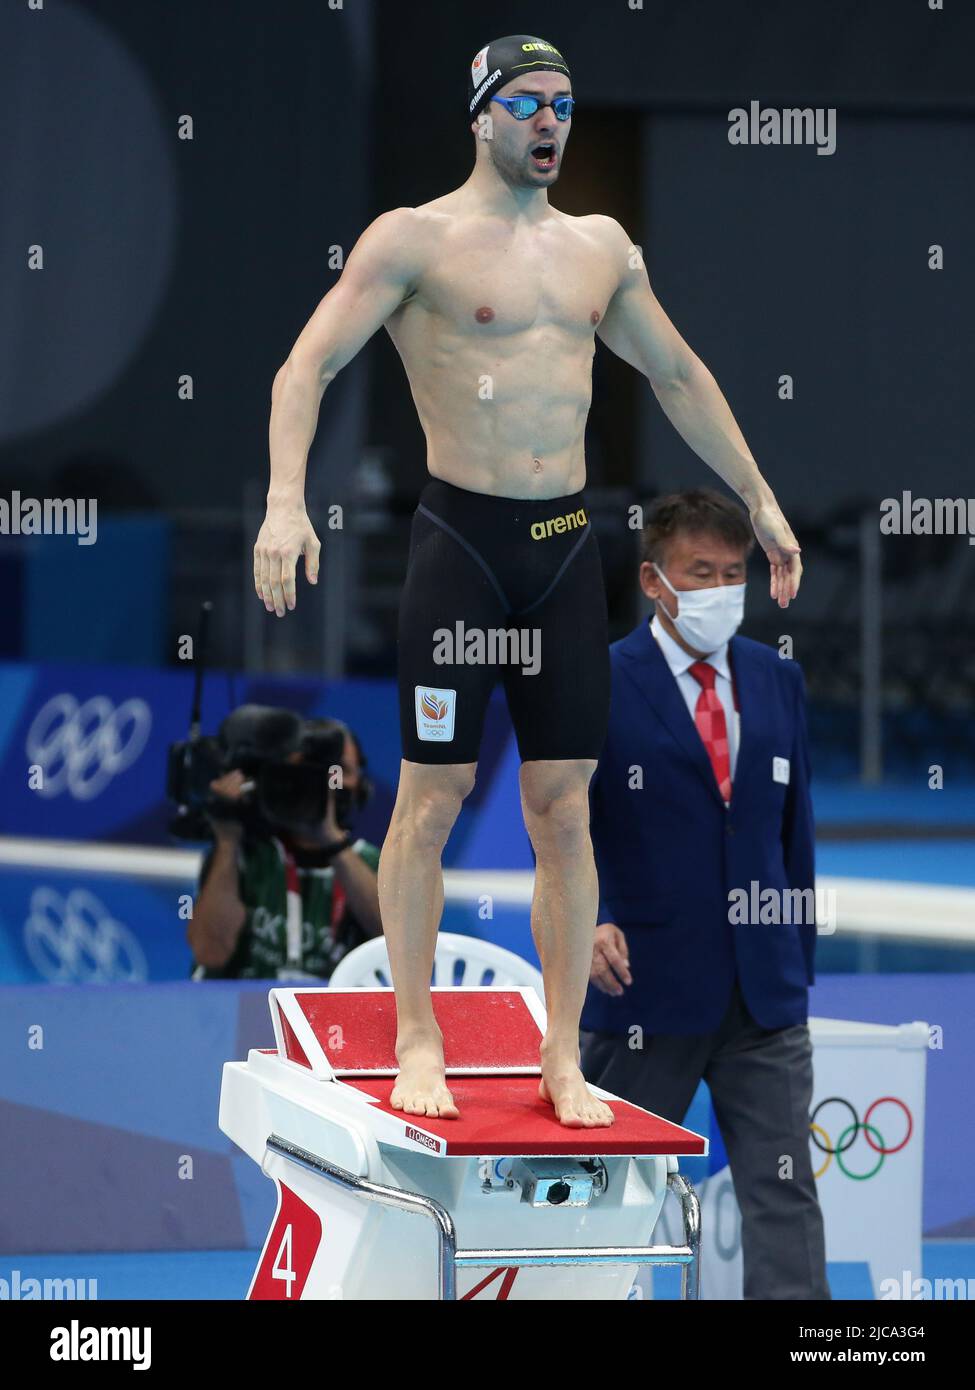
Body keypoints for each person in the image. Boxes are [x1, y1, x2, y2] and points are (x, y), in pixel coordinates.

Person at [252, 34, 802, 1126]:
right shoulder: (415, 240)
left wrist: (763, 496)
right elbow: (304, 363)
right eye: (528, 104)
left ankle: (560, 1050)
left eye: (564, 104)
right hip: (460, 548)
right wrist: (282, 498)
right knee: (430, 802)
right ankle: (418, 1033)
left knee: (562, 811)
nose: (551, 123)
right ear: (481, 115)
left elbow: (681, 375)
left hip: (561, 550)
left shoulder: (601, 247)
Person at [581, 489, 828, 1298]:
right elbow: (556, 823)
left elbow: (793, 833)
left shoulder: (773, 678)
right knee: (599, 1194)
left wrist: (793, 957)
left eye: (733, 573)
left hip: (764, 993)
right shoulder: (596, 679)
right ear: (654, 580)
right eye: (700, 572)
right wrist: (583, 921)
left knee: (783, 1193)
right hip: (641, 986)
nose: (721, 588)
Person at [189, 718, 382, 980]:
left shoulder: (373, 862)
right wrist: (227, 841)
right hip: (237, 1012)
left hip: (327, 1019)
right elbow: (209, 953)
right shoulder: (244, 853)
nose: (324, 784)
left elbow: (399, 946)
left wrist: (333, 842)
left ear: (362, 786)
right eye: (307, 771)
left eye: (340, 772)